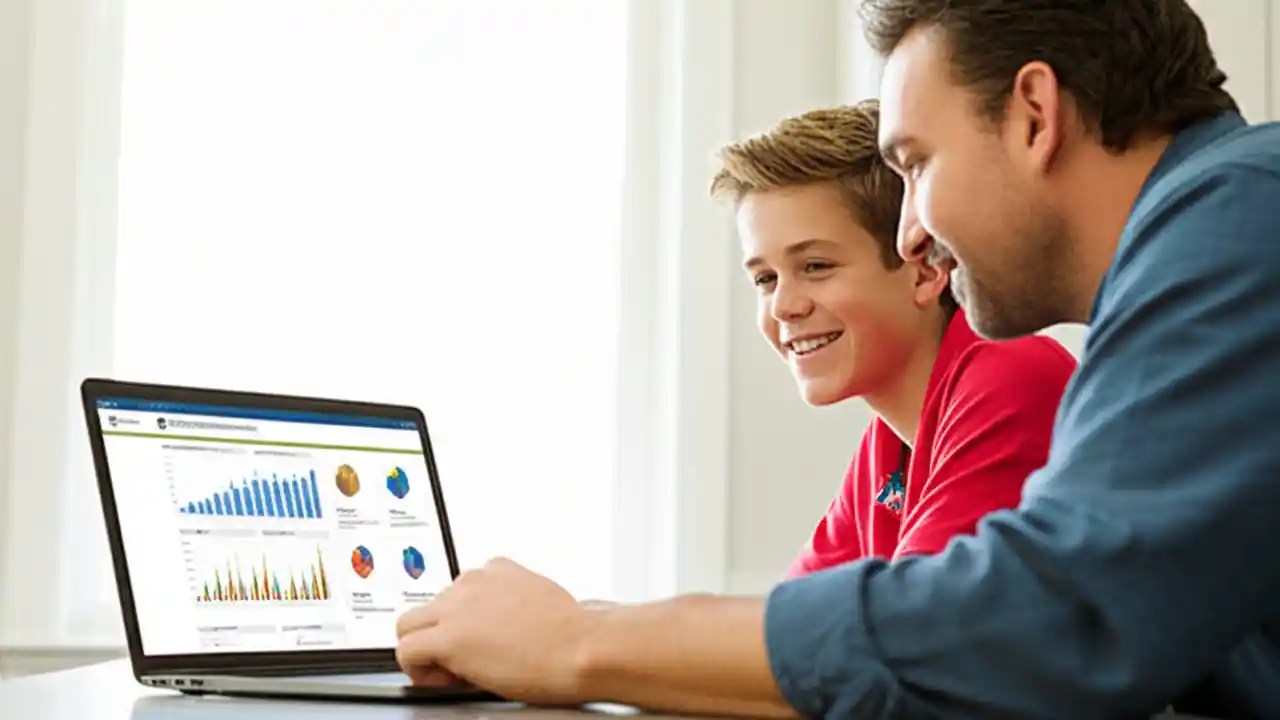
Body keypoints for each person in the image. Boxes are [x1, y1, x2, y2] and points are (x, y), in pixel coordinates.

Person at [394, 1, 1280, 717]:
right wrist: (571, 631)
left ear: (1034, 117)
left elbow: (1042, 624)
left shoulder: (1236, 222)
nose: (912, 233)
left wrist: (575, 646)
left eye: (917, 164)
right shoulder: (1218, 230)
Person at [708, 101, 1074, 573]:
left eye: (815, 267)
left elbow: (908, 625)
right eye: (765, 279)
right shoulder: (888, 446)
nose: (783, 305)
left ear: (924, 269)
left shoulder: (1010, 378)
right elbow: (795, 621)